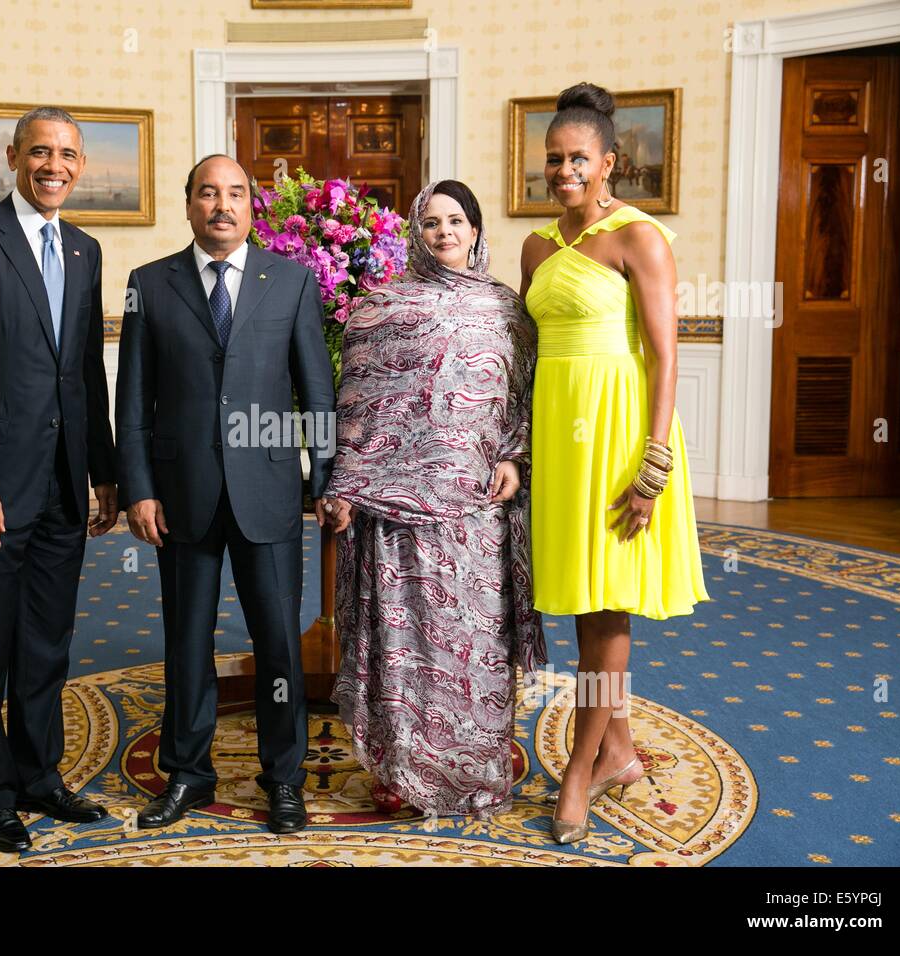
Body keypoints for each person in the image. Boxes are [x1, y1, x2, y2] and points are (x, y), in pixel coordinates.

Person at [115, 154, 337, 834]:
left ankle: (284, 780)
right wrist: (139, 489)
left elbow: (314, 390)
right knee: (186, 640)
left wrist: (325, 480)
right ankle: (186, 775)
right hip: (180, 494)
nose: (222, 205)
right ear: (187, 206)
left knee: (277, 644)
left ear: (251, 207)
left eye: (235, 193)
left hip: (269, 492)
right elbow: (132, 400)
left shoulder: (293, 282)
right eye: (208, 193)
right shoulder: (149, 285)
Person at [519, 83, 710, 845]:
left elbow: (666, 356)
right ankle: (622, 751)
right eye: (553, 160)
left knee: (606, 606)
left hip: (621, 435)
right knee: (577, 599)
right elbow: (527, 351)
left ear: (609, 162)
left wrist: (653, 463)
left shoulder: (640, 237)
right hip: (558, 439)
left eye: (577, 159)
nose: (564, 171)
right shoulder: (537, 247)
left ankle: (579, 768)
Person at [0, 107, 119, 853]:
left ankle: (41, 775)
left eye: (68, 154)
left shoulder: (84, 249)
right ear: (12, 157)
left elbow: (83, 378)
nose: (54, 166)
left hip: (66, 485)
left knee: (46, 642)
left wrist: (102, 471)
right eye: (41, 151)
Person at [322, 180, 547, 819]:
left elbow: (524, 393)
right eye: (430, 224)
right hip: (394, 511)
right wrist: (349, 483)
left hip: (477, 505)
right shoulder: (379, 308)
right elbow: (358, 403)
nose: (444, 233)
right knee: (405, 640)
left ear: (476, 230)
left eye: (456, 221)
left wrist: (512, 454)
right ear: (414, 235)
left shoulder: (507, 311)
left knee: (473, 642)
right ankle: (401, 768)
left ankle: (473, 771)